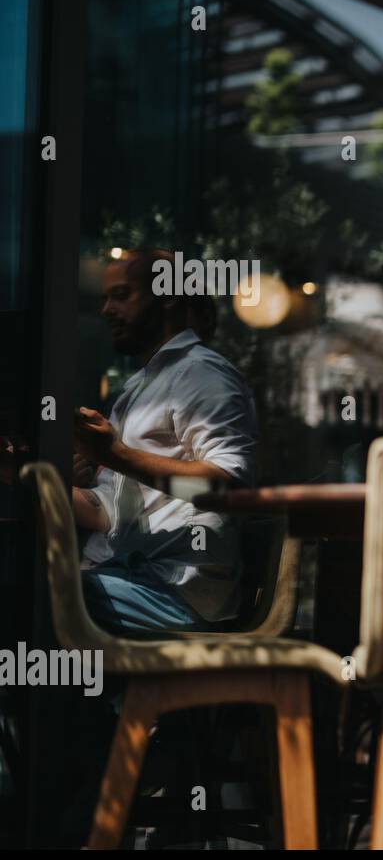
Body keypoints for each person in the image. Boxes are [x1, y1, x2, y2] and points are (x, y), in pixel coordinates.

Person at [73, 249, 257, 633]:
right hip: (129, 579)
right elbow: (105, 512)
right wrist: (20, 471)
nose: (106, 309)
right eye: (106, 298)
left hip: (173, 593)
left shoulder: (201, 373)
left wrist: (117, 455)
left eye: (121, 295)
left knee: (38, 591)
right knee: (40, 584)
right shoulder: (142, 386)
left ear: (168, 295)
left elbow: (231, 484)